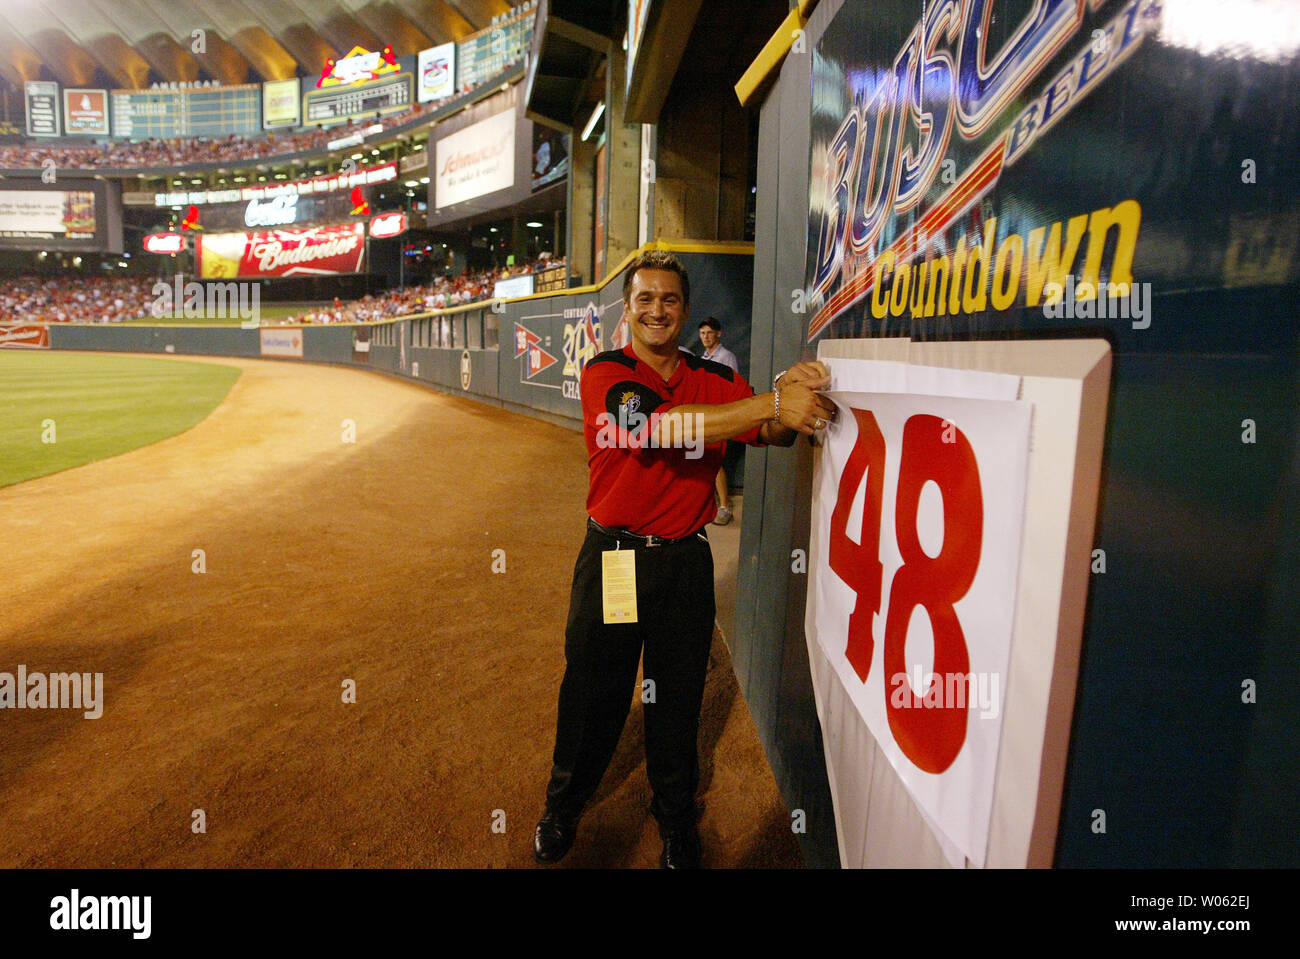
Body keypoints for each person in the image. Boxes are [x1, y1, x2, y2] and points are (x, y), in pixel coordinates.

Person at [533, 249, 834, 868]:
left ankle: (674, 819)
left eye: (669, 299)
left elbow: (770, 433)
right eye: (645, 298)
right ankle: (562, 807)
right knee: (594, 693)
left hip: (684, 564)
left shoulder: (716, 379)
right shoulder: (604, 373)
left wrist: (791, 398)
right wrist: (772, 404)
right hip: (615, 557)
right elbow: (660, 428)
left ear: (686, 309)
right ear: (628, 309)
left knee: (677, 699)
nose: (657, 310)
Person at [696, 317, 741, 525]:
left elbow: (734, 388)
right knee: (703, 459)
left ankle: (724, 507)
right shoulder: (703, 357)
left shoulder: (726, 357)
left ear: (718, 334)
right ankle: (709, 503)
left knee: (714, 460)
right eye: (702, 333)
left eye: (709, 333)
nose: (705, 337)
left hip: (721, 416)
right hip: (705, 415)